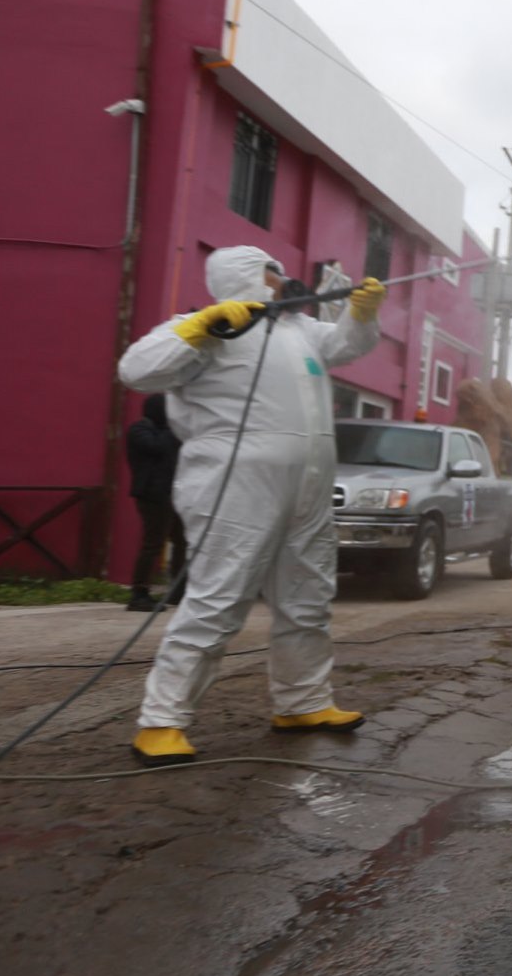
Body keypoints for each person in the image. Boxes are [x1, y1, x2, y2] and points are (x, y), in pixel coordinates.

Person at [117, 246, 386, 767]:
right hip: (235, 485)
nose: (283, 279)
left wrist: (362, 312)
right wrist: (203, 327)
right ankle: (162, 721)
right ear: (244, 277)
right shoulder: (203, 328)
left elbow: (347, 344)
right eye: (272, 270)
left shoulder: (300, 331)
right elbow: (137, 370)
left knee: (308, 597)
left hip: (308, 484)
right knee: (218, 598)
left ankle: (303, 702)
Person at [124, 393, 187, 612]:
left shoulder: (165, 432)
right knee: (153, 544)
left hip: (173, 495)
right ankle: (139, 593)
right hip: (152, 495)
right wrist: (173, 428)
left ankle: (179, 590)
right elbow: (157, 447)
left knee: (182, 540)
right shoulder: (139, 430)